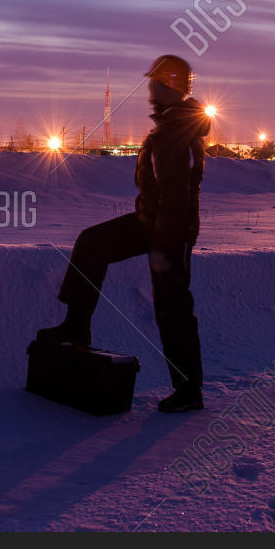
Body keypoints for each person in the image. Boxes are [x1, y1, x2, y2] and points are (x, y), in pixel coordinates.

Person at [38, 54, 210, 413]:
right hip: (150, 220)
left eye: (154, 83)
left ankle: (189, 390)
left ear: (169, 86)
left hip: (171, 230)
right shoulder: (169, 124)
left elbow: (176, 195)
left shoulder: (177, 129)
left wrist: (166, 244)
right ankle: (76, 326)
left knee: (171, 306)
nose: (148, 89)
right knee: (92, 243)